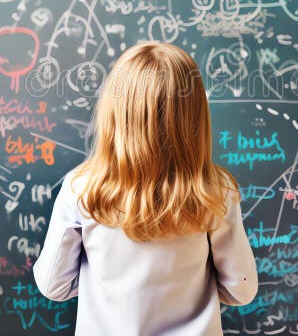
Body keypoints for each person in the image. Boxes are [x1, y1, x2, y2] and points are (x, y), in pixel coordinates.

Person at [33, 40, 258, 335]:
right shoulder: (215, 191)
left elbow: (53, 286)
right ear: (193, 115)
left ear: (116, 110)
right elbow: (241, 290)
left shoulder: (82, 188)